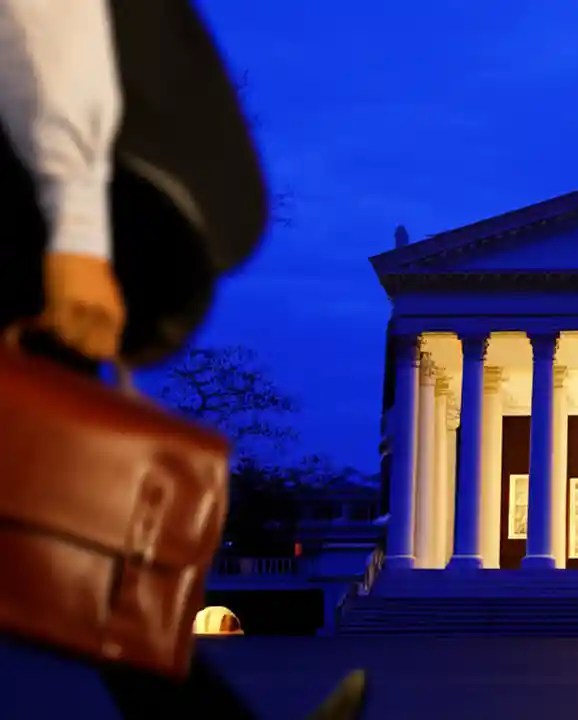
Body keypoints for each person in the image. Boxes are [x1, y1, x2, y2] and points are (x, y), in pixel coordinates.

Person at [0, 2, 366, 717]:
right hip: (116, 199)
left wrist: (77, 233)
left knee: (52, 505)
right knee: (48, 524)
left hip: (116, 196)